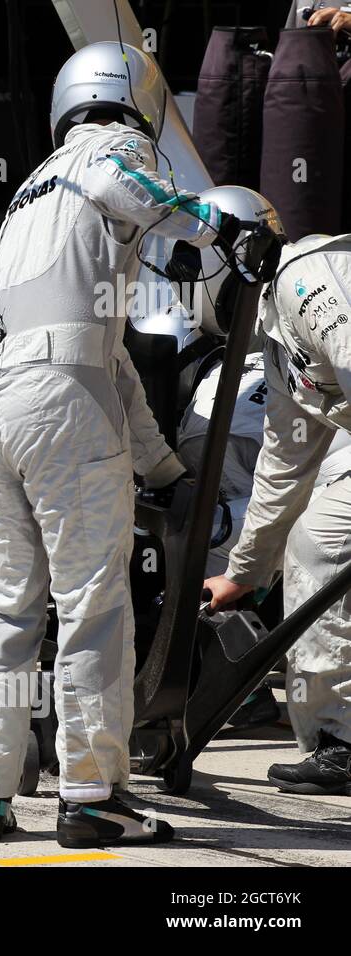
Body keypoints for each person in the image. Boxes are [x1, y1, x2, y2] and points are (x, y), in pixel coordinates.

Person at [0, 41, 237, 847]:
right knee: (93, 606)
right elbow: (140, 189)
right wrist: (218, 225)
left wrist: (164, 468)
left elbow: (101, 354)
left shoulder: (31, 193)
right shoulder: (113, 146)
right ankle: (89, 797)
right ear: (133, 100)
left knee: (6, 606)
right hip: (58, 406)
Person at [203, 231, 351, 795]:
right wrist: (243, 573)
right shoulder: (276, 329)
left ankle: (341, 744)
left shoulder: (306, 275)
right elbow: (285, 464)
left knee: (320, 543)